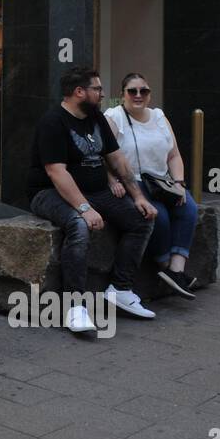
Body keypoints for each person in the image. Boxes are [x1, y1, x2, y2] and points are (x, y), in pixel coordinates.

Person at [27, 67, 158, 333]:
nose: (101, 94)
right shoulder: (53, 122)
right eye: (96, 89)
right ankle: (74, 306)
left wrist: (138, 197)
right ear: (79, 92)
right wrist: (85, 208)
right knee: (78, 225)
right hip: (48, 193)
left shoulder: (96, 117)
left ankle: (120, 289)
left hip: (97, 191)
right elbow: (56, 171)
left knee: (140, 220)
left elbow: (117, 159)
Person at [103, 73, 200, 300]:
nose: (138, 95)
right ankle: (165, 265)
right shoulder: (114, 117)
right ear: (122, 94)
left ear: (149, 94)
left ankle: (176, 271)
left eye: (143, 91)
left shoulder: (159, 116)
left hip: (161, 182)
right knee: (161, 217)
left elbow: (174, 155)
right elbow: (103, 154)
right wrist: (111, 179)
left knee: (189, 209)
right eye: (132, 91)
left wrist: (178, 183)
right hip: (133, 181)